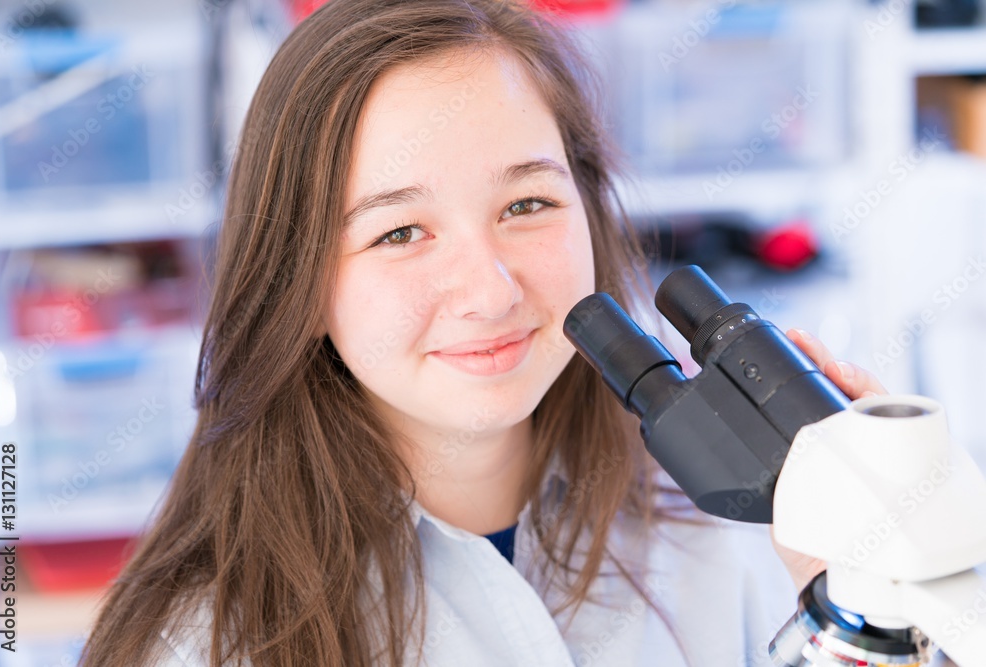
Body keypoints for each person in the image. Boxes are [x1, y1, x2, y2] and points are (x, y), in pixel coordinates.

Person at [80, 0, 888, 665]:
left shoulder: (729, 532)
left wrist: (868, 604)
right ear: (297, 275)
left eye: (526, 205)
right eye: (399, 232)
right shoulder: (202, 642)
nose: (490, 290)